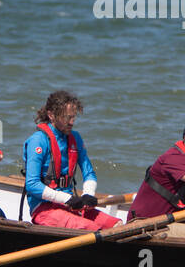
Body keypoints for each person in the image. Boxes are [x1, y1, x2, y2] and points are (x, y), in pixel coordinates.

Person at [23, 90, 120, 230]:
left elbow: (89, 173)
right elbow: (32, 185)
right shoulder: (38, 141)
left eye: (73, 117)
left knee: (117, 225)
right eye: (66, 118)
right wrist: (66, 199)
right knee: (92, 228)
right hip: (44, 209)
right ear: (51, 115)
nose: (72, 122)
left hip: (70, 206)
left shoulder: (76, 138)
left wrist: (88, 195)